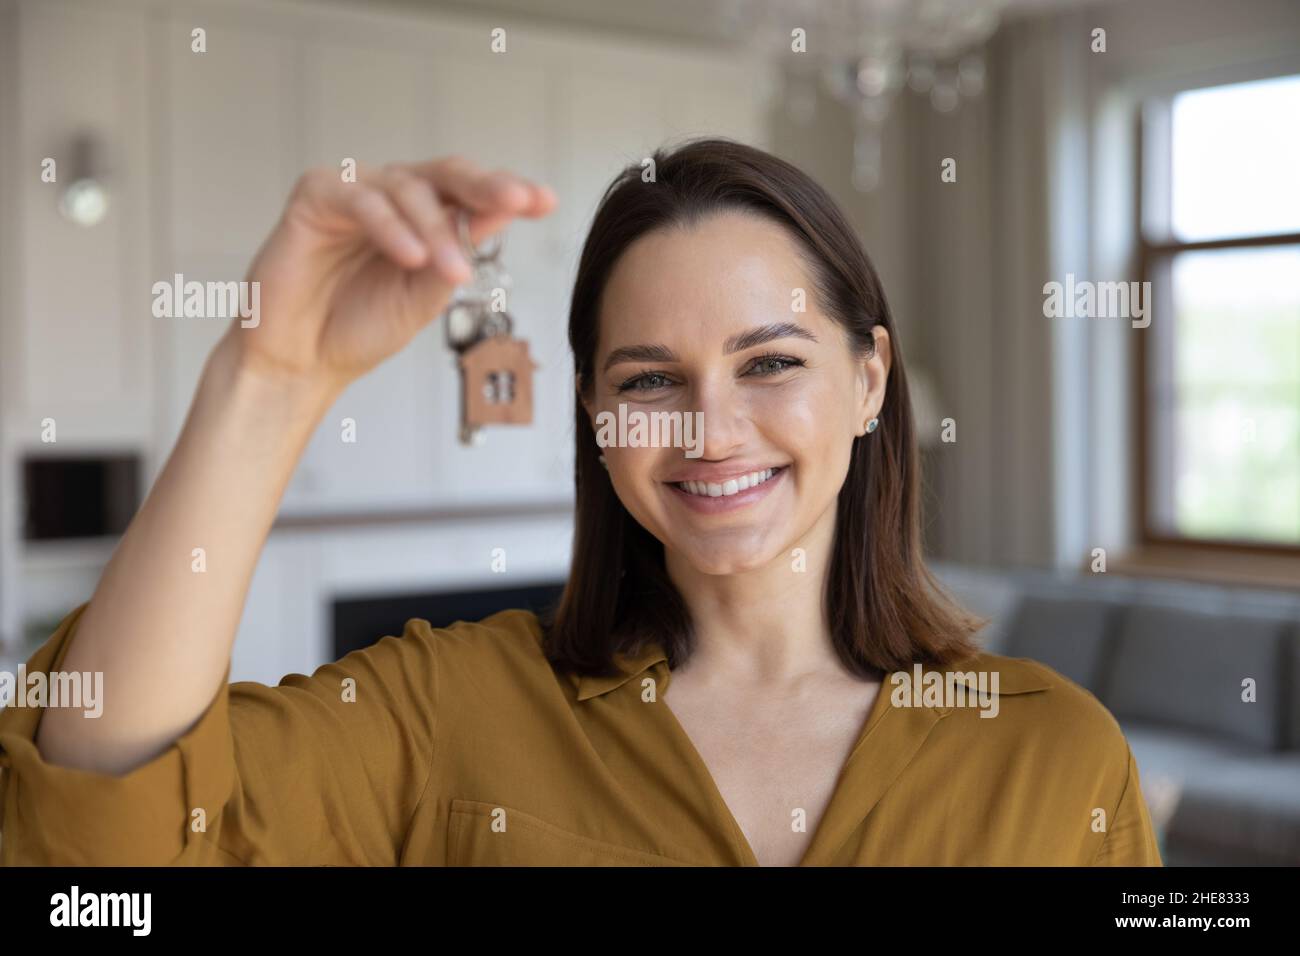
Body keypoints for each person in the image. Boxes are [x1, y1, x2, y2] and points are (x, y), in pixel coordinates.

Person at [0, 138, 1162, 866]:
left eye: (769, 362)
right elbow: (102, 833)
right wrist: (267, 379)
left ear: (867, 380)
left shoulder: (1053, 753)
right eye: (649, 378)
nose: (708, 430)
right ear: (597, 420)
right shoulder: (447, 707)